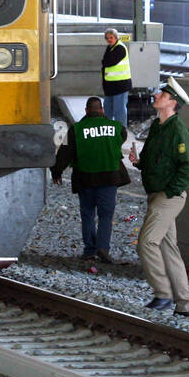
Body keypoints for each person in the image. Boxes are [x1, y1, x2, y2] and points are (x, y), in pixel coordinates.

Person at [128, 77, 189, 318]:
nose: (157, 96)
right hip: (156, 193)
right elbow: (152, 159)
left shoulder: (178, 130)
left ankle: (163, 293)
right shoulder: (158, 127)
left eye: (162, 95)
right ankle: (185, 305)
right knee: (169, 249)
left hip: (168, 196)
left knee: (147, 242)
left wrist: (170, 191)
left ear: (172, 103)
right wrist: (139, 163)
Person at [51, 96, 129, 263]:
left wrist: (56, 172)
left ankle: (89, 251)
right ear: (102, 110)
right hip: (109, 178)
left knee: (87, 215)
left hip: (85, 178)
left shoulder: (76, 129)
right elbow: (121, 139)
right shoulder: (117, 127)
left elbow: (65, 153)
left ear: (86, 111)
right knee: (106, 216)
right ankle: (103, 248)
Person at [101, 28, 132, 127]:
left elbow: (108, 62)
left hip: (120, 85)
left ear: (116, 37)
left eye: (111, 37)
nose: (109, 40)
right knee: (108, 109)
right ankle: (108, 129)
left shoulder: (120, 48)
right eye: (107, 38)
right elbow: (105, 61)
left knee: (119, 110)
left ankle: (121, 131)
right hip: (110, 85)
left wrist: (105, 62)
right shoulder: (110, 47)